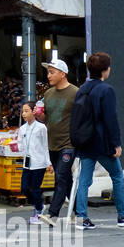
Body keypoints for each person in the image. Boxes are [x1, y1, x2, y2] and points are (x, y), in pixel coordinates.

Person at [72, 52, 124, 229]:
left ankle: (81, 217)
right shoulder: (106, 90)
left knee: (84, 180)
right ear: (105, 70)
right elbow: (110, 119)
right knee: (117, 176)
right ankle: (123, 215)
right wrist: (116, 144)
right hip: (102, 142)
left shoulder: (82, 89)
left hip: (85, 141)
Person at [37, 60, 78, 226]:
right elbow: (47, 118)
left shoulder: (75, 93)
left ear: (63, 73)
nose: (48, 76)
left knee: (61, 177)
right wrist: (39, 116)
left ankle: (52, 214)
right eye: (48, 72)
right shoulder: (48, 94)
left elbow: (82, 116)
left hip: (69, 143)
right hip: (52, 143)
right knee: (65, 179)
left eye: (52, 72)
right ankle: (79, 210)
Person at [17, 100, 50, 224]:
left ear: (33, 111)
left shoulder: (41, 127)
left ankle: (38, 211)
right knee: (24, 188)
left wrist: (48, 163)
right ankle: (39, 204)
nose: (24, 114)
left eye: (26, 111)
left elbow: (45, 146)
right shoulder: (22, 129)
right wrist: (16, 147)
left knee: (35, 188)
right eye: (22, 112)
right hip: (27, 163)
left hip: (39, 163)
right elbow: (20, 145)